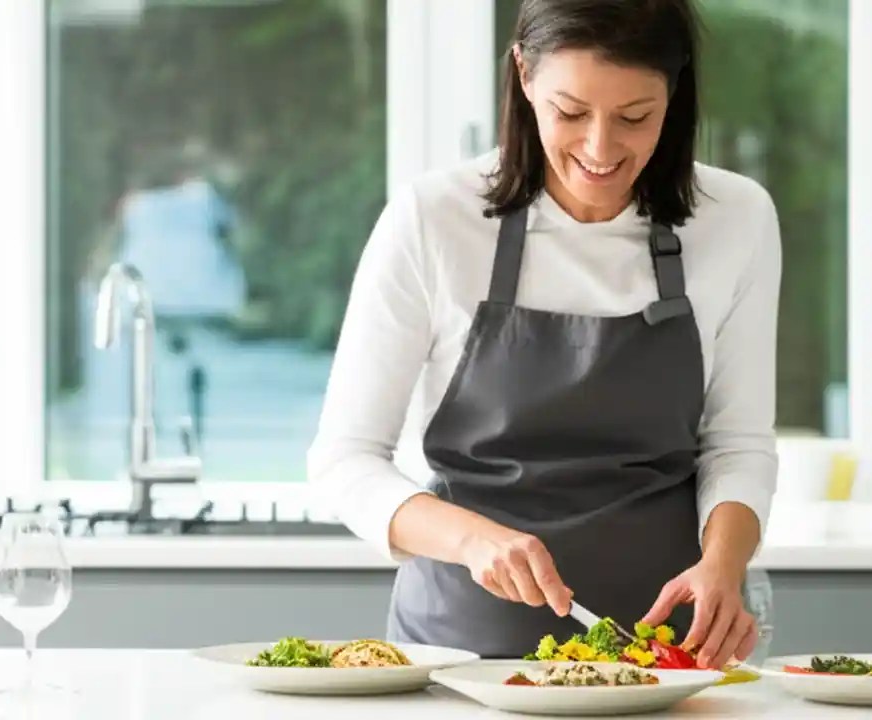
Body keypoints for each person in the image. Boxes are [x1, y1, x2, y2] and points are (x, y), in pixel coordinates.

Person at [308, 0, 779, 668]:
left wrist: (725, 566)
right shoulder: (435, 218)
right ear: (523, 74)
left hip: (665, 663)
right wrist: (473, 541)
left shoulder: (735, 219)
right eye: (571, 111)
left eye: (635, 117)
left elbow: (738, 444)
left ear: (675, 90)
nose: (600, 148)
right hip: (460, 661)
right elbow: (343, 462)